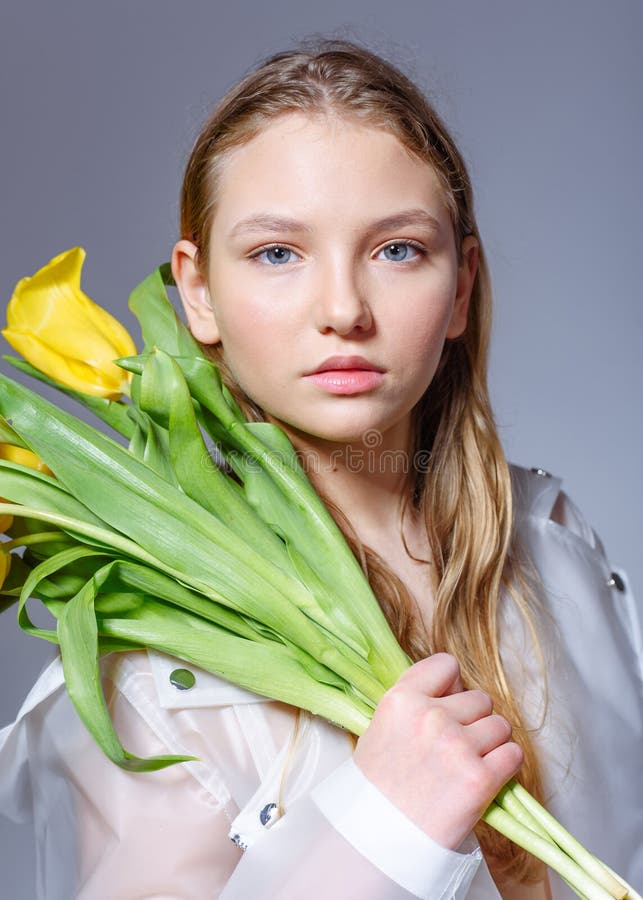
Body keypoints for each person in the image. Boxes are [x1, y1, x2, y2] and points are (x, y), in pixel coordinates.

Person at [1, 37, 641, 900]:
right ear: (197, 292)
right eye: (277, 253)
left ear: (460, 287)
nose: (342, 310)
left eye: (397, 250)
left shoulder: (553, 544)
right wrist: (378, 826)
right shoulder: (155, 683)